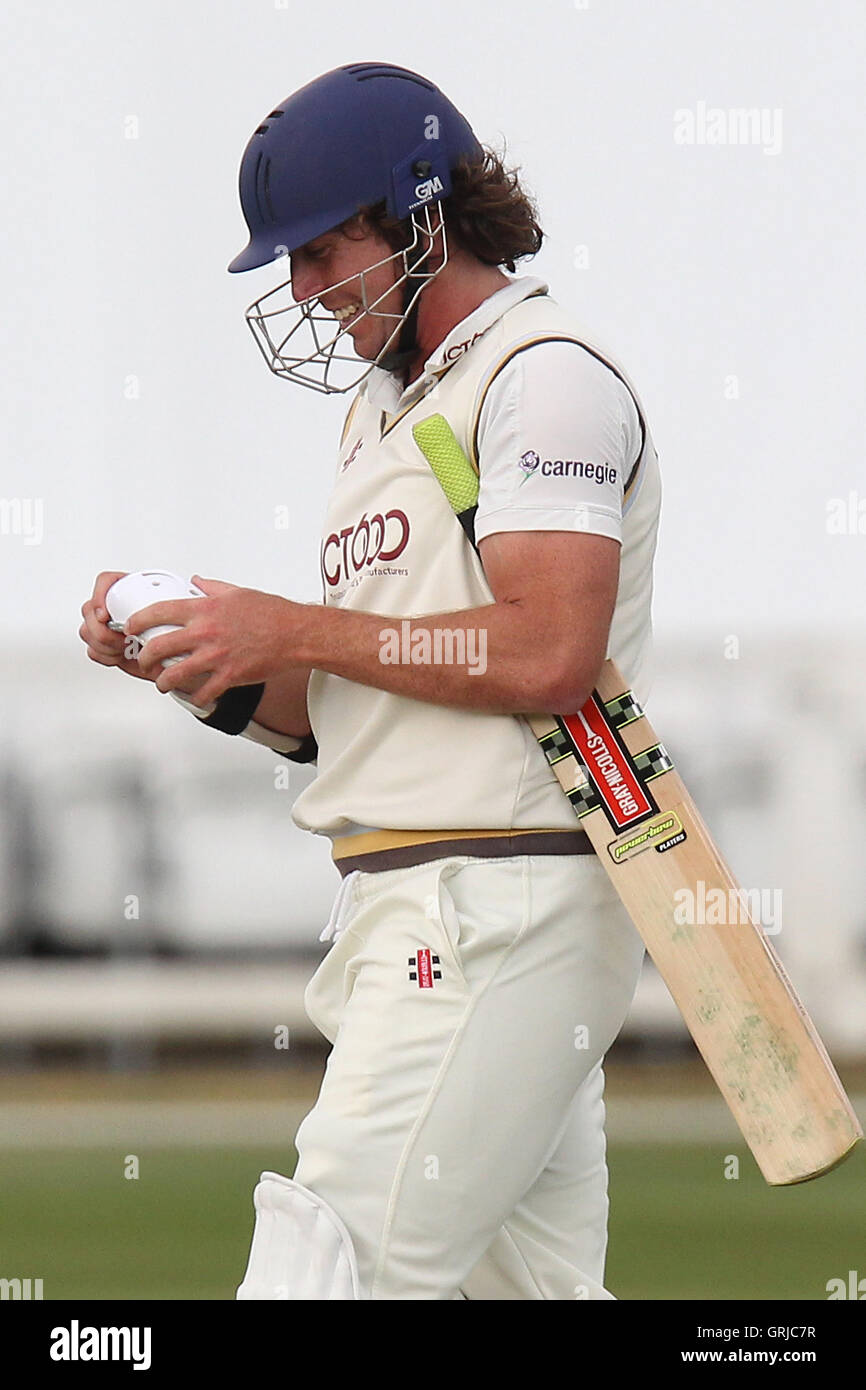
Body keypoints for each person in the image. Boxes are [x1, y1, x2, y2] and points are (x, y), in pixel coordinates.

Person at [79, 61, 661, 1300]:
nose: (299, 290)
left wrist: (291, 626)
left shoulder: (539, 375)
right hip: (419, 903)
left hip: (494, 907)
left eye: (316, 249)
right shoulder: (384, 414)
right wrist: (211, 665)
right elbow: (373, 701)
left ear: (421, 217)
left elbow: (547, 653)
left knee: (321, 1276)